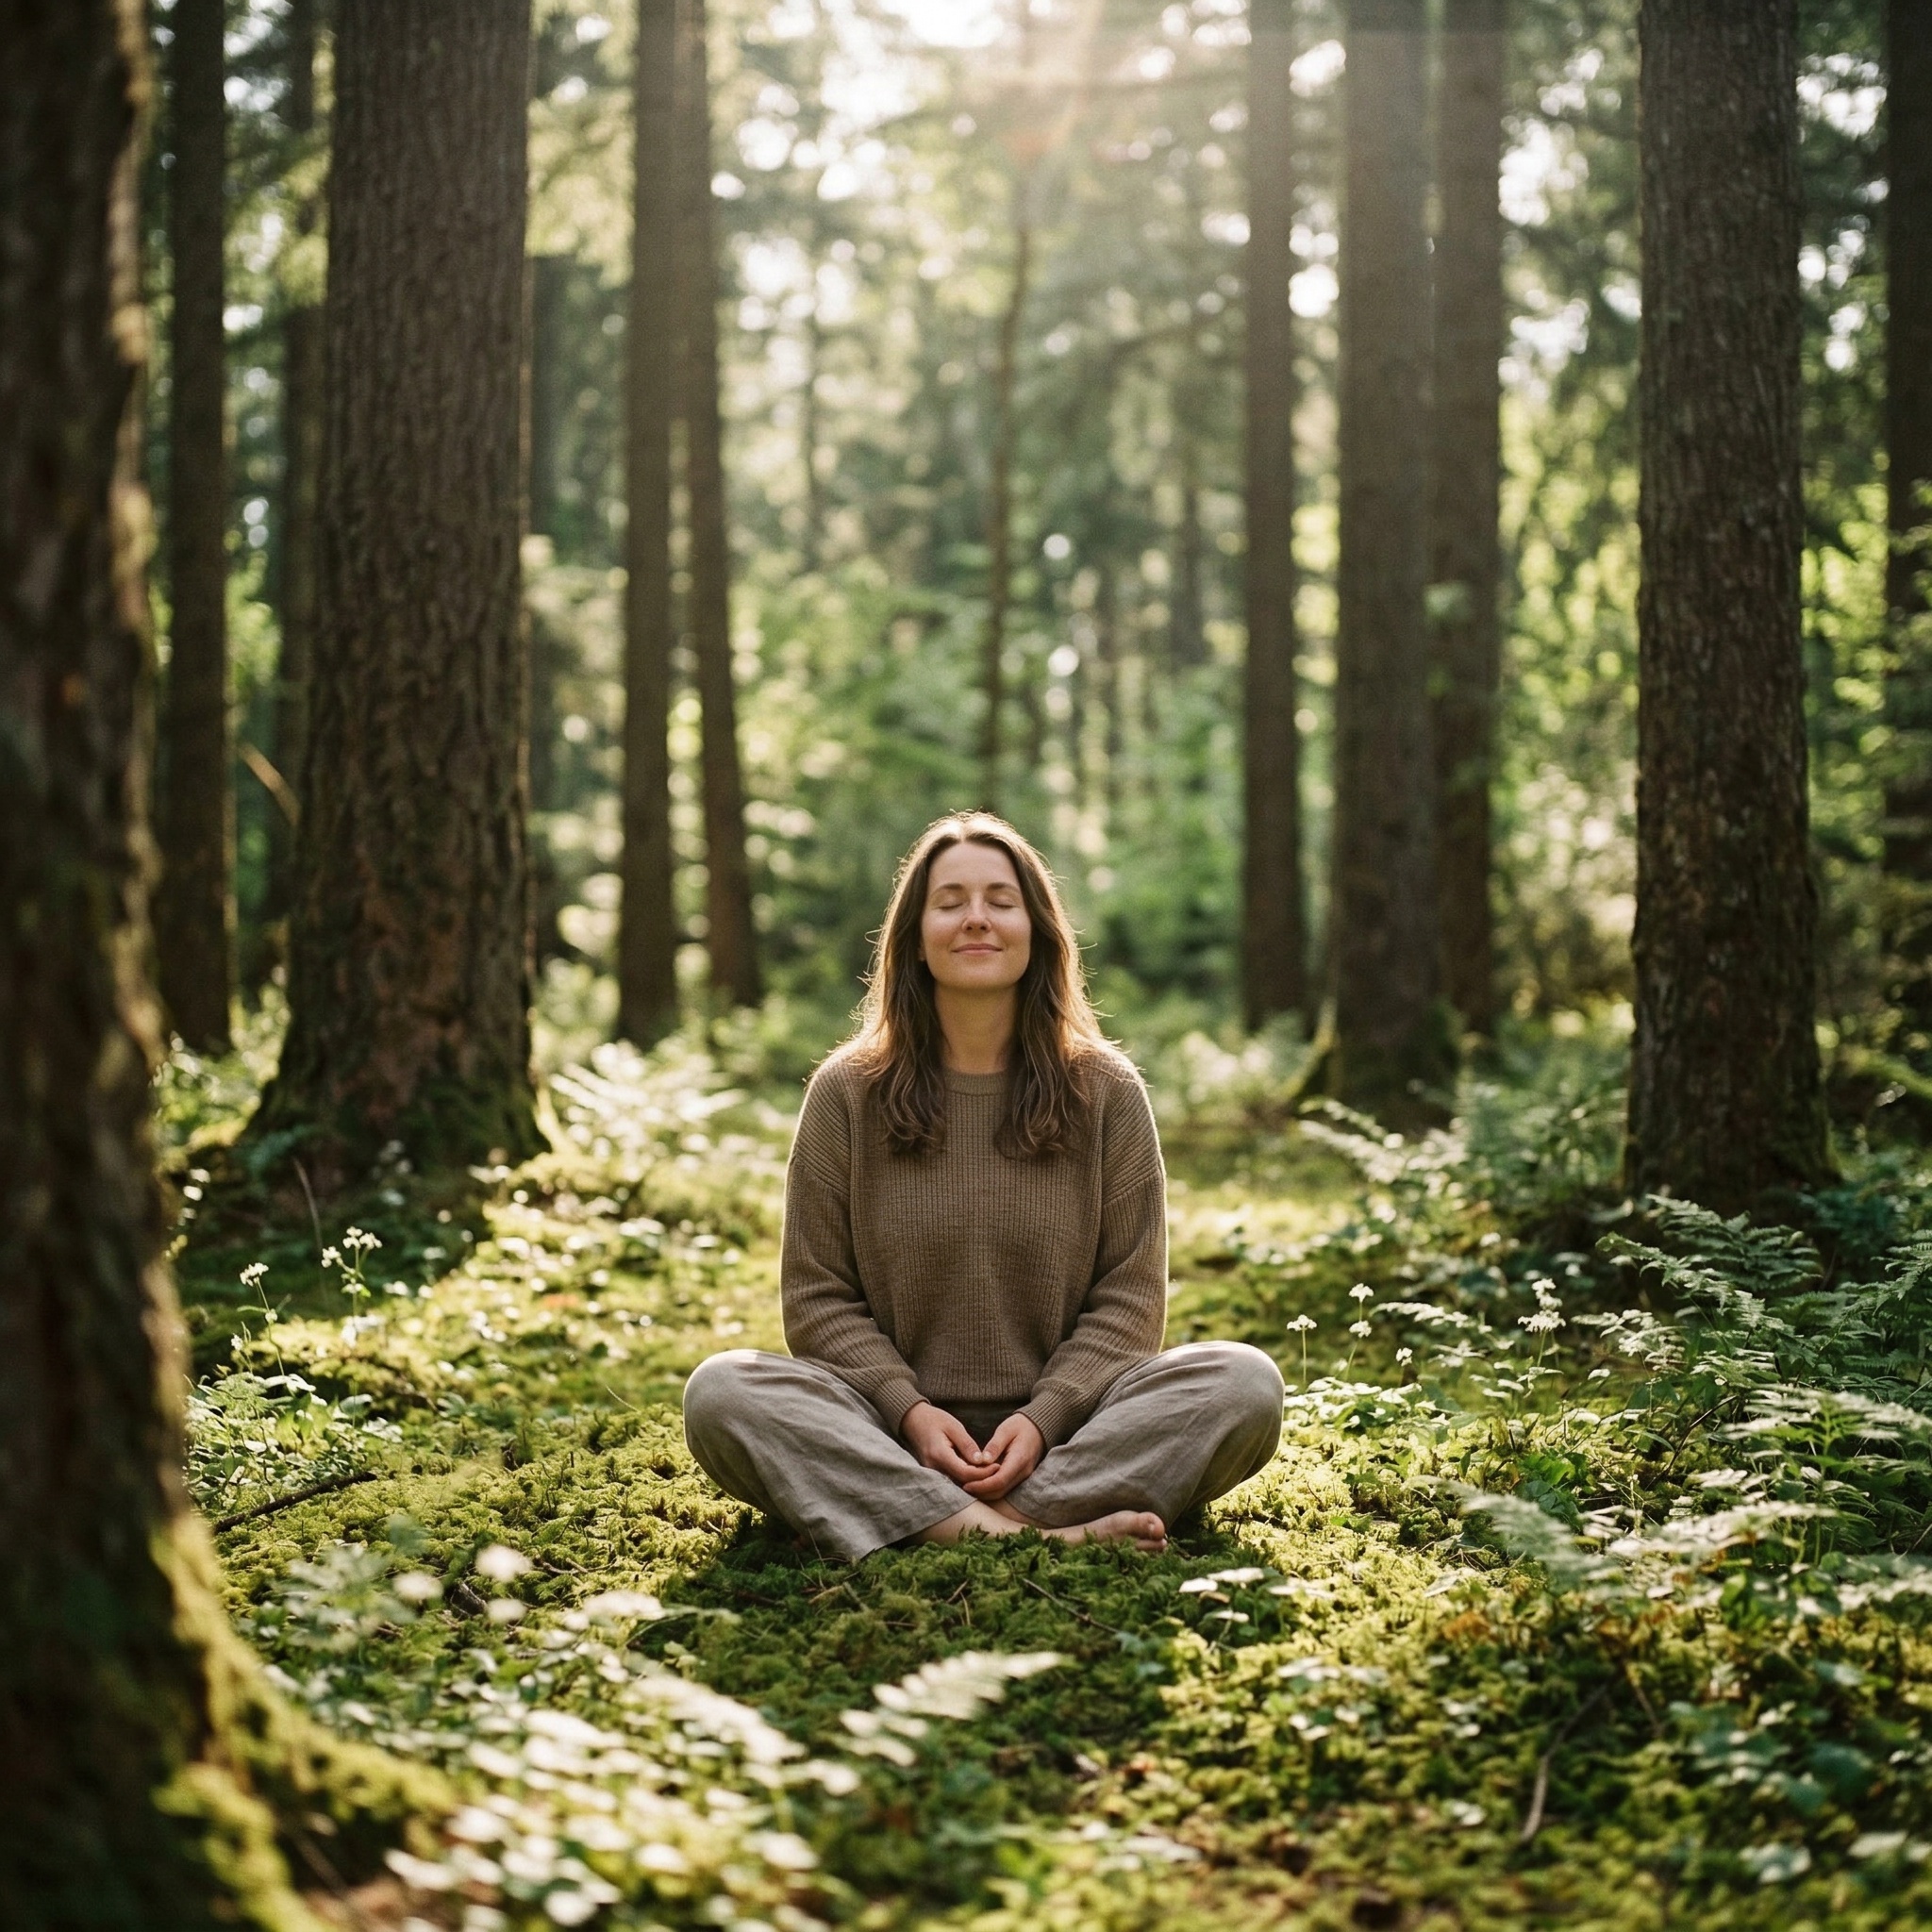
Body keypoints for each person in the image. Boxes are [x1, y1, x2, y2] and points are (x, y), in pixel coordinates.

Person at [682, 811, 1284, 1562]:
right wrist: (911, 1415)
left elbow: (1131, 1300)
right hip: (887, 1433)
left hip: (1072, 1436)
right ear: (915, 935)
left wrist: (1042, 1420)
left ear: (1037, 929)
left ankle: (927, 1526)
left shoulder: (1106, 1091)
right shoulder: (846, 1093)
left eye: (1001, 900)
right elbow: (817, 1297)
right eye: (950, 901)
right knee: (722, 1393)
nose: (976, 919)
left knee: (1243, 1383)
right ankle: (1034, 1537)